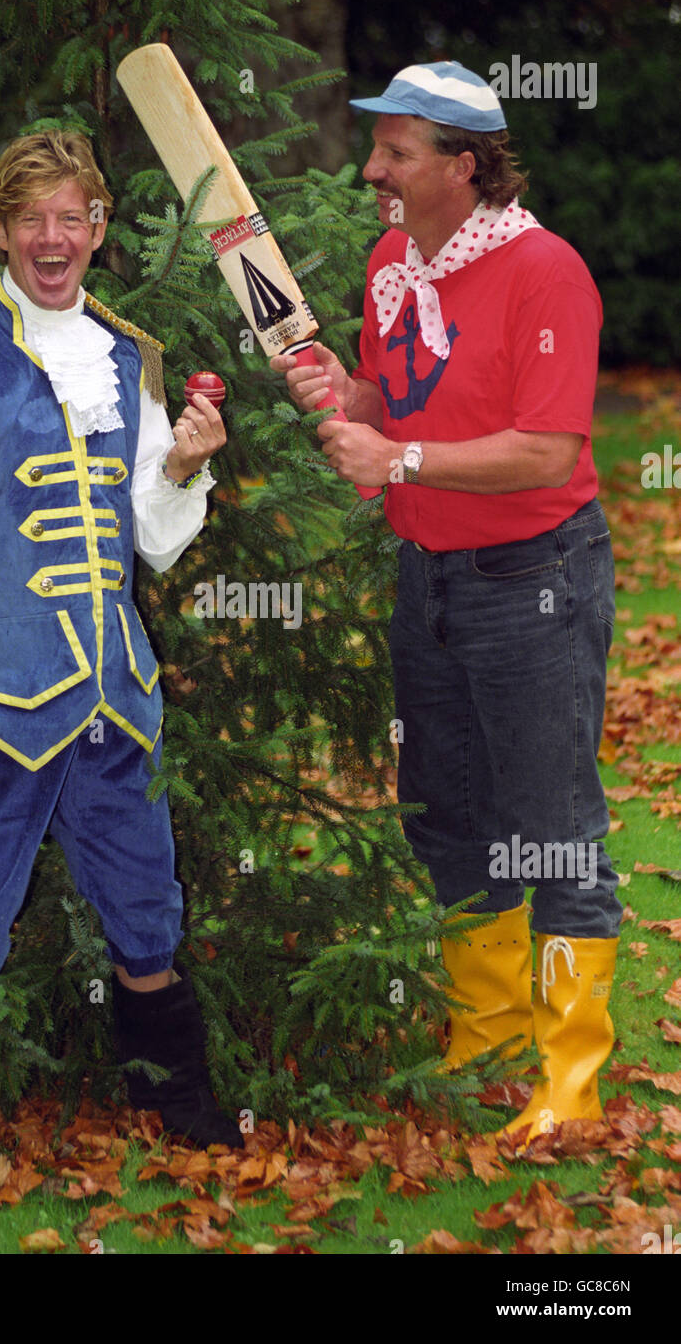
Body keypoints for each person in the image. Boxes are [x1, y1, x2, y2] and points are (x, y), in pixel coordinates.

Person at [0, 130, 241, 1205]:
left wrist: (176, 468)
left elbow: (153, 539)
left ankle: (176, 1102)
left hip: (112, 696)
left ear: (98, 230)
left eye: (70, 217)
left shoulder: (126, 355)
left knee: (144, 908)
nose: (50, 238)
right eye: (30, 218)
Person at [272, 62, 621, 1144]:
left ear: (462, 166)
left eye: (395, 152)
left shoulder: (544, 273)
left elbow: (542, 448)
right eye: (376, 146)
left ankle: (569, 1079)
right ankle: (488, 1035)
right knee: (447, 813)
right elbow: (399, 400)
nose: (370, 165)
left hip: (535, 580)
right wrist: (346, 392)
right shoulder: (391, 261)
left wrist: (396, 455)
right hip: (426, 576)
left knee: (551, 831)